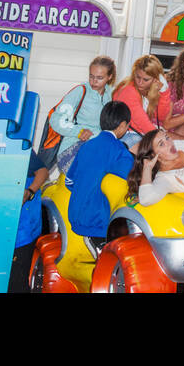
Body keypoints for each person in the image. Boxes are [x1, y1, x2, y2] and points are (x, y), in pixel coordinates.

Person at [65, 101, 134, 258]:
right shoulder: (120, 151)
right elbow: (129, 185)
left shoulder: (86, 146)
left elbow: (69, 182)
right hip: (100, 223)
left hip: (76, 216)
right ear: (123, 125)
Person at [49, 56, 117, 173]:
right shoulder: (80, 91)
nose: (94, 81)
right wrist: (79, 131)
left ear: (109, 77)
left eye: (99, 78)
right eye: (91, 76)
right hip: (73, 148)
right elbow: (56, 119)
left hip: (97, 147)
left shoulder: (111, 95)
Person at [9, 149, 50, 292]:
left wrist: (29, 192)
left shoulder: (19, 145)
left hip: (22, 232)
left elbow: (43, 171)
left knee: (16, 283)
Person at [112, 55, 171, 148]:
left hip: (138, 135)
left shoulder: (150, 91)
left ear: (157, 79)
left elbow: (161, 117)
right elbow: (143, 123)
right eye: (138, 77)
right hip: (127, 136)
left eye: (145, 79)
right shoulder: (128, 90)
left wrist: (164, 91)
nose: (140, 82)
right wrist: (162, 139)